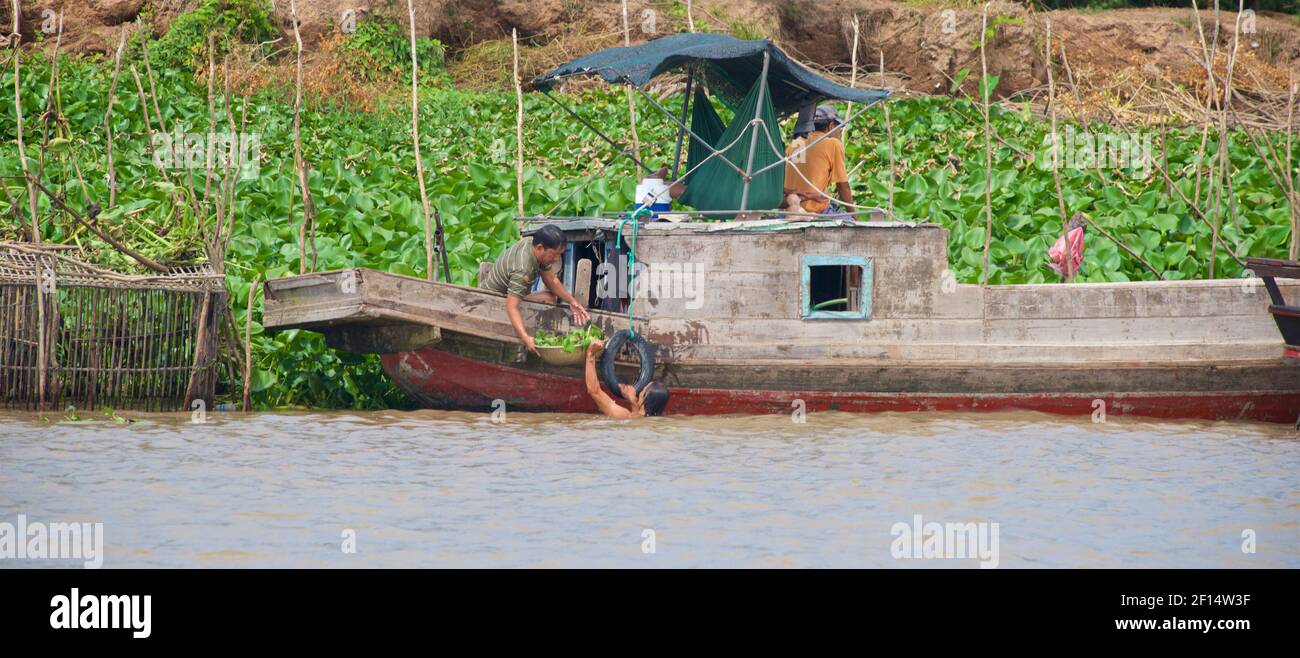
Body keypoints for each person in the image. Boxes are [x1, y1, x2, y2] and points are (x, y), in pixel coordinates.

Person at [479, 224, 590, 355]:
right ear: (540, 248)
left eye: (559, 255)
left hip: (511, 294)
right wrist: (525, 337)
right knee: (546, 301)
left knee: (549, 298)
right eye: (554, 255)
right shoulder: (523, 269)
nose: (556, 259)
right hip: (494, 301)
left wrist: (572, 302)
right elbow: (511, 307)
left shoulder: (531, 244)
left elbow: (551, 280)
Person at [782, 105, 854, 215]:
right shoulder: (833, 144)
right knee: (848, 220)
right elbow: (842, 186)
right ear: (831, 126)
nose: (839, 132)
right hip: (813, 210)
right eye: (839, 128)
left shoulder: (794, 144)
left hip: (788, 208)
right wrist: (853, 215)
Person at [584, 340, 670, 418]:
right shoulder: (656, 420)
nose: (640, 391)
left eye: (643, 390)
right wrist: (633, 403)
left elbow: (594, 391)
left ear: (645, 400)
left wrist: (590, 354)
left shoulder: (624, 416)